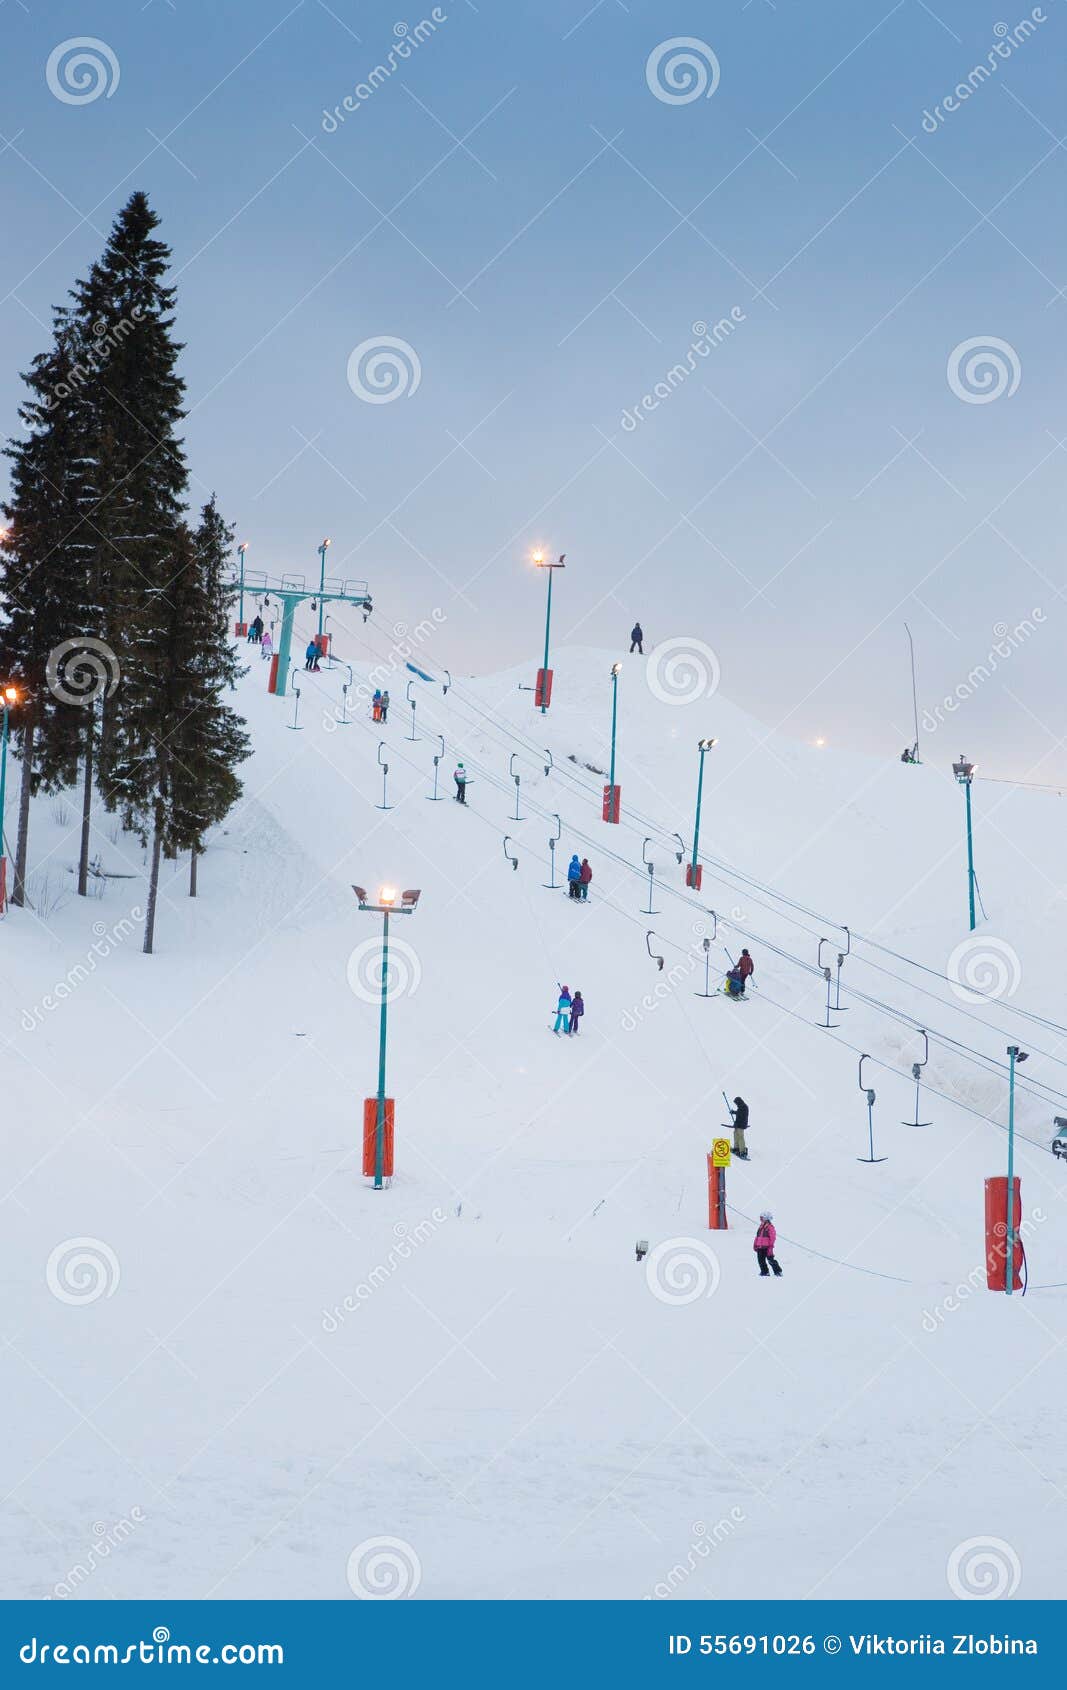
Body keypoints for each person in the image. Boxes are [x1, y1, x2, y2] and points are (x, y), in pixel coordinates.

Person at [753, 1211, 782, 1277]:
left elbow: (773, 1237)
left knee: (770, 1259)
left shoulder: (770, 1227)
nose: (760, 1219)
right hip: (760, 1247)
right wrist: (755, 1244)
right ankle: (764, 1272)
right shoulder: (761, 1226)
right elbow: (757, 1236)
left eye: (762, 1218)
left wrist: (771, 1246)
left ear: (766, 1218)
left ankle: (778, 1271)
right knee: (760, 1260)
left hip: (767, 1247)